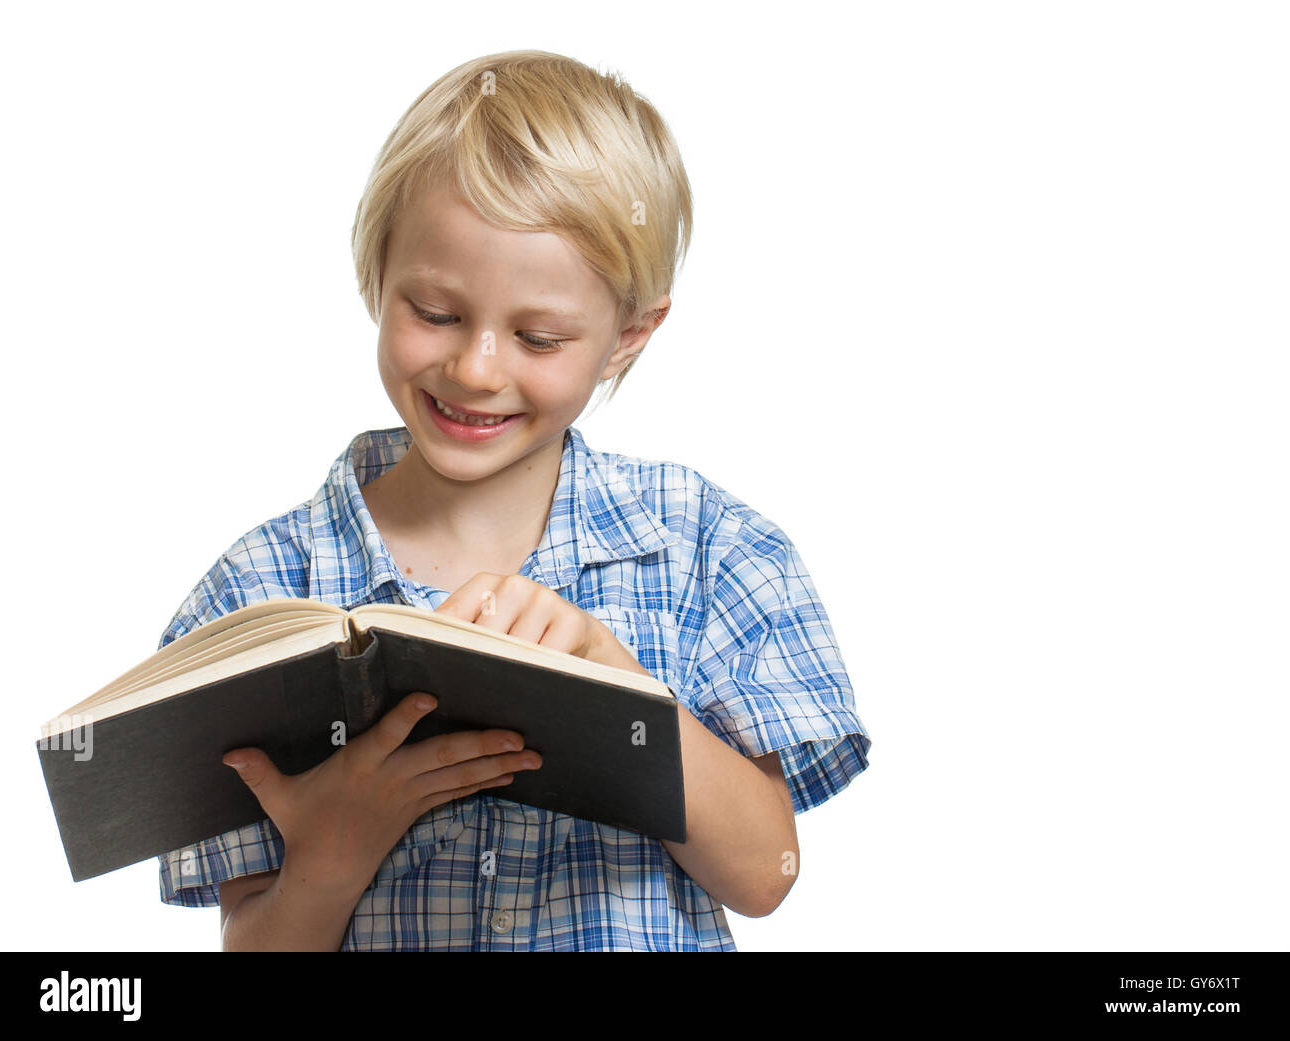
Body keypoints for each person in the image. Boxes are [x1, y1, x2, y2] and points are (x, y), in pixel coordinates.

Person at [156, 49, 872, 951]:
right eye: (437, 313)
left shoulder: (706, 548)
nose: (476, 368)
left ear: (627, 335)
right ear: (377, 273)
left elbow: (768, 871)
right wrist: (329, 860)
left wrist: (622, 695)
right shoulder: (256, 592)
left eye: (538, 335)